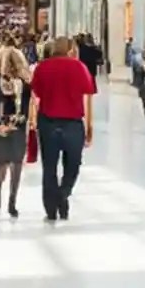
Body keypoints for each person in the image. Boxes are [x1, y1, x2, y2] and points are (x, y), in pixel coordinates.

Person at [30, 36, 95, 222]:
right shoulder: (79, 67)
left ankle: (51, 208)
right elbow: (87, 98)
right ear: (70, 49)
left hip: (48, 122)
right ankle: (63, 194)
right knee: (73, 165)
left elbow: (36, 96)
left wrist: (33, 120)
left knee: (49, 167)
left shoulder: (42, 67)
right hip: (73, 123)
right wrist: (89, 127)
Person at [0, 46, 31, 219]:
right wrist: (19, 121)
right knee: (16, 165)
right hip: (16, 129)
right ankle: (12, 202)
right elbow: (26, 110)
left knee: (0, 165)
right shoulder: (24, 85)